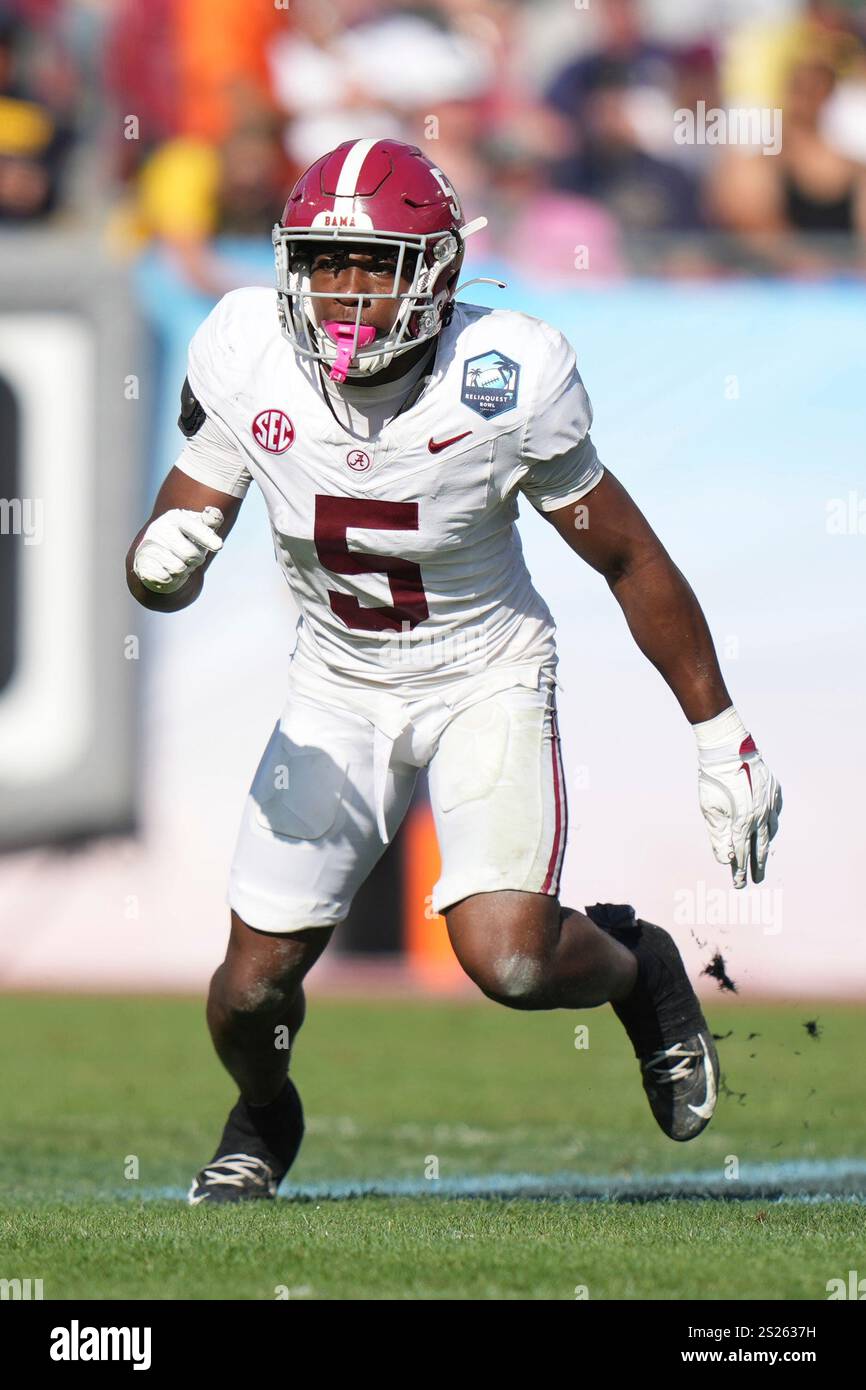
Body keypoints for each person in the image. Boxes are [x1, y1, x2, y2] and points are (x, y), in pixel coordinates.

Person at [124, 138, 782, 1204]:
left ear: (432, 271)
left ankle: (637, 967)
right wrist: (158, 570)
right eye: (322, 262)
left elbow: (626, 556)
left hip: (484, 672)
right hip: (334, 688)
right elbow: (176, 531)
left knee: (509, 962)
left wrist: (720, 733)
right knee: (248, 991)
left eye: (373, 264)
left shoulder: (507, 376)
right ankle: (266, 1110)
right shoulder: (244, 345)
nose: (341, 291)